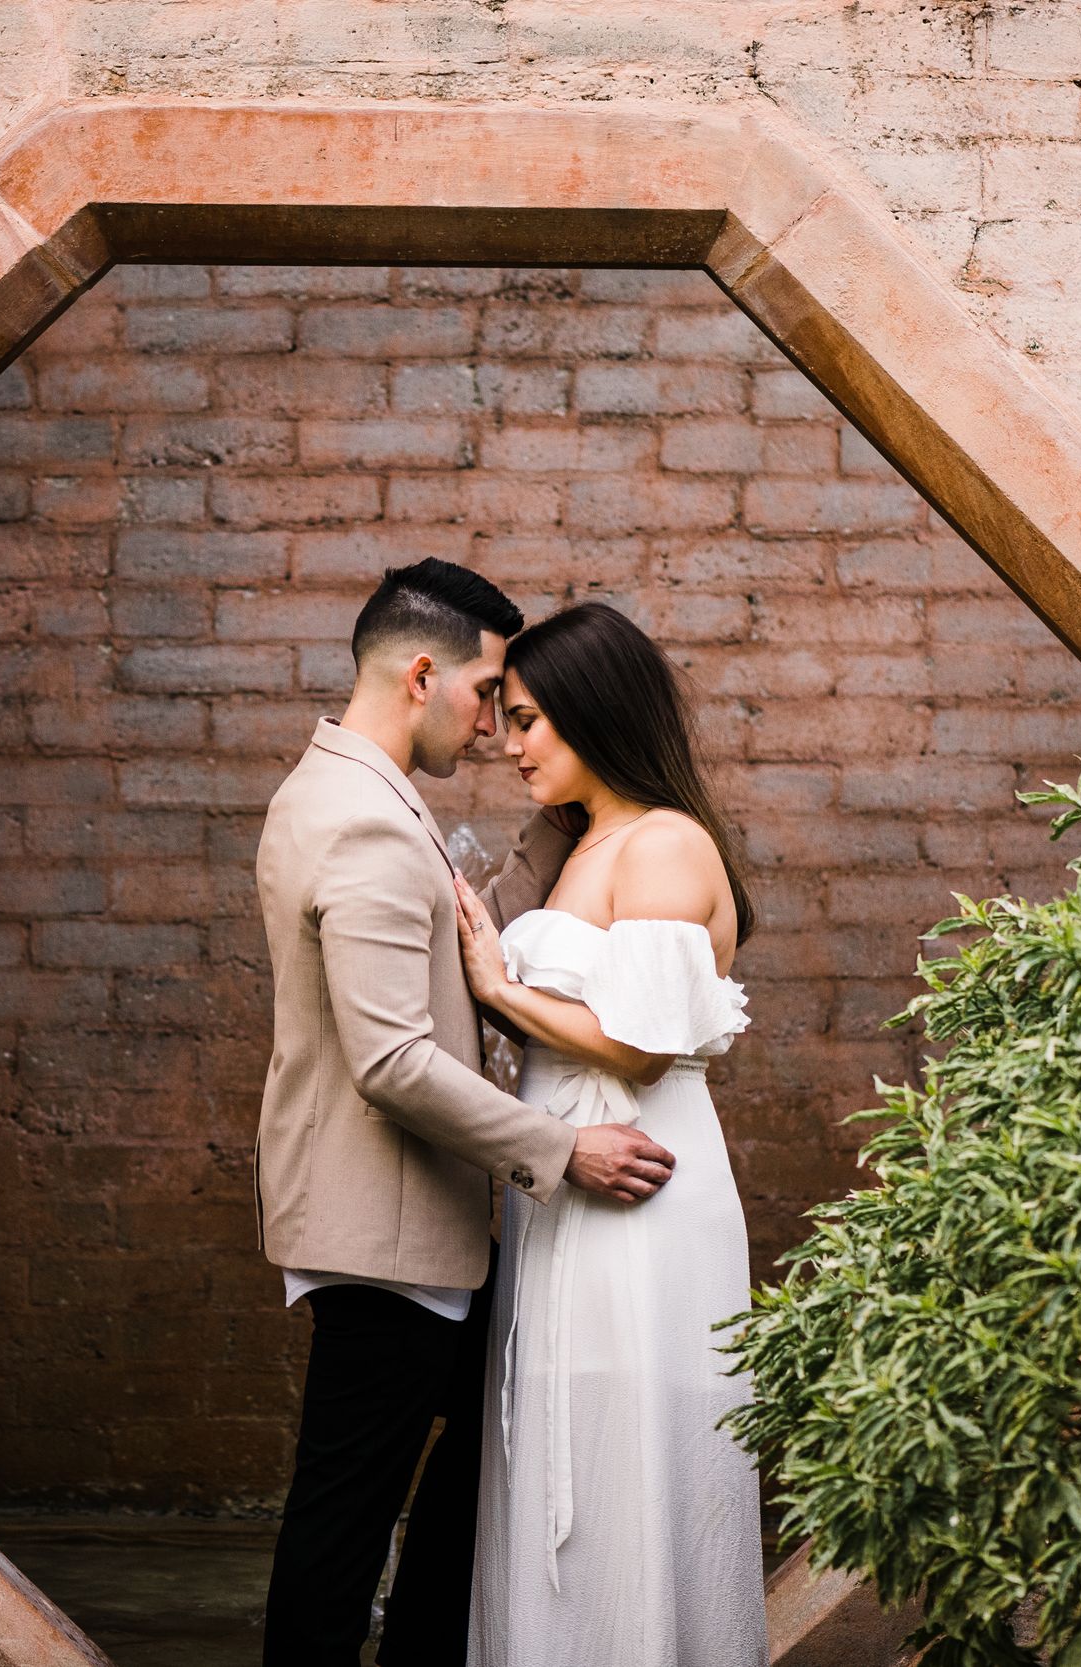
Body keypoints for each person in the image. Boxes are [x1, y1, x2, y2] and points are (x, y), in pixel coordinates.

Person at [254, 562, 680, 1667]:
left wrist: (572, 818)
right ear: (424, 672)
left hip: (402, 1227)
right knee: (343, 1522)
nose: (494, 722)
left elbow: (447, 945)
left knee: (496, 1445)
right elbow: (394, 1058)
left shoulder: (345, 791)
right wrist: (562, 1148)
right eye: (488, 691)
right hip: (385, 1236)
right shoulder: (365, 823)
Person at [451, 601, 771, 1667]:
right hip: (564, 1189)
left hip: (643, 1185)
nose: (509, 743)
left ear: (594, 713)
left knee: (630, 1447)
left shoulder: (667, 843)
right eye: (504, 717)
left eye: (532, 719)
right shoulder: (590, 842)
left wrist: (496, 982)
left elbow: (634, 1046)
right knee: (560, 1440)